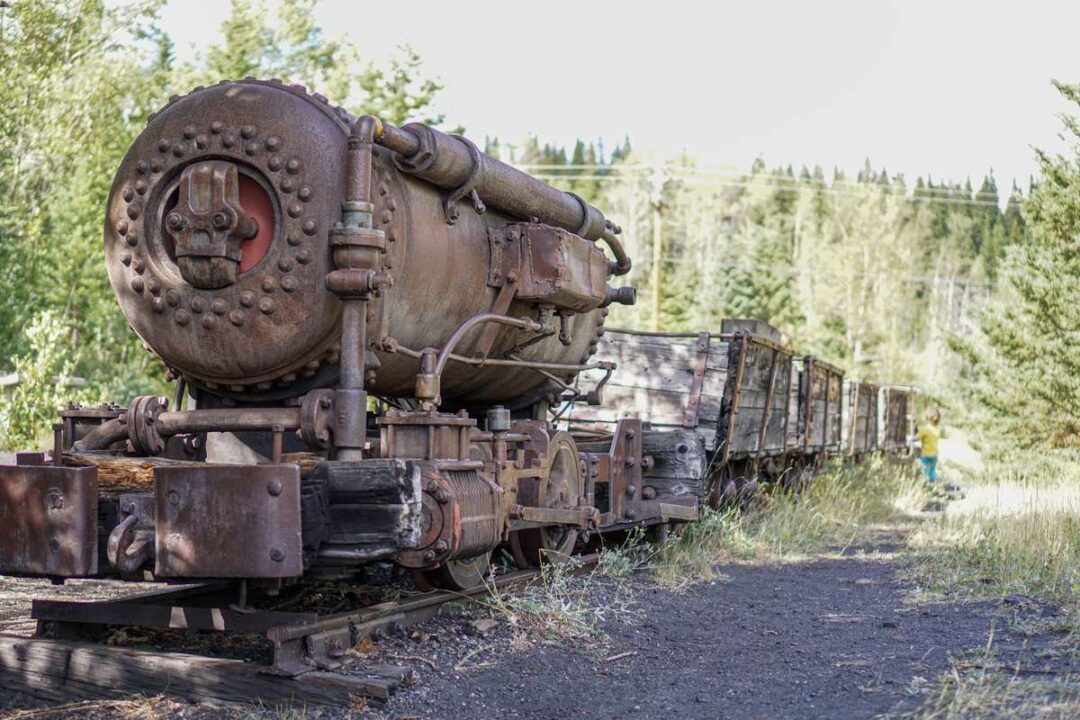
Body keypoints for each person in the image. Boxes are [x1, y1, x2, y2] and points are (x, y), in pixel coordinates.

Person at [915, 409, 941, 483]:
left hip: (926, 454)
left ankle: (925, 485)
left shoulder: (925, 429)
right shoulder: (936, 430)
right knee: (932, 470)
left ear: (927, 418)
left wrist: (911, 440)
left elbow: (916, 438)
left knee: (925, 470)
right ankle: (933, 484)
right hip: (935, 454)